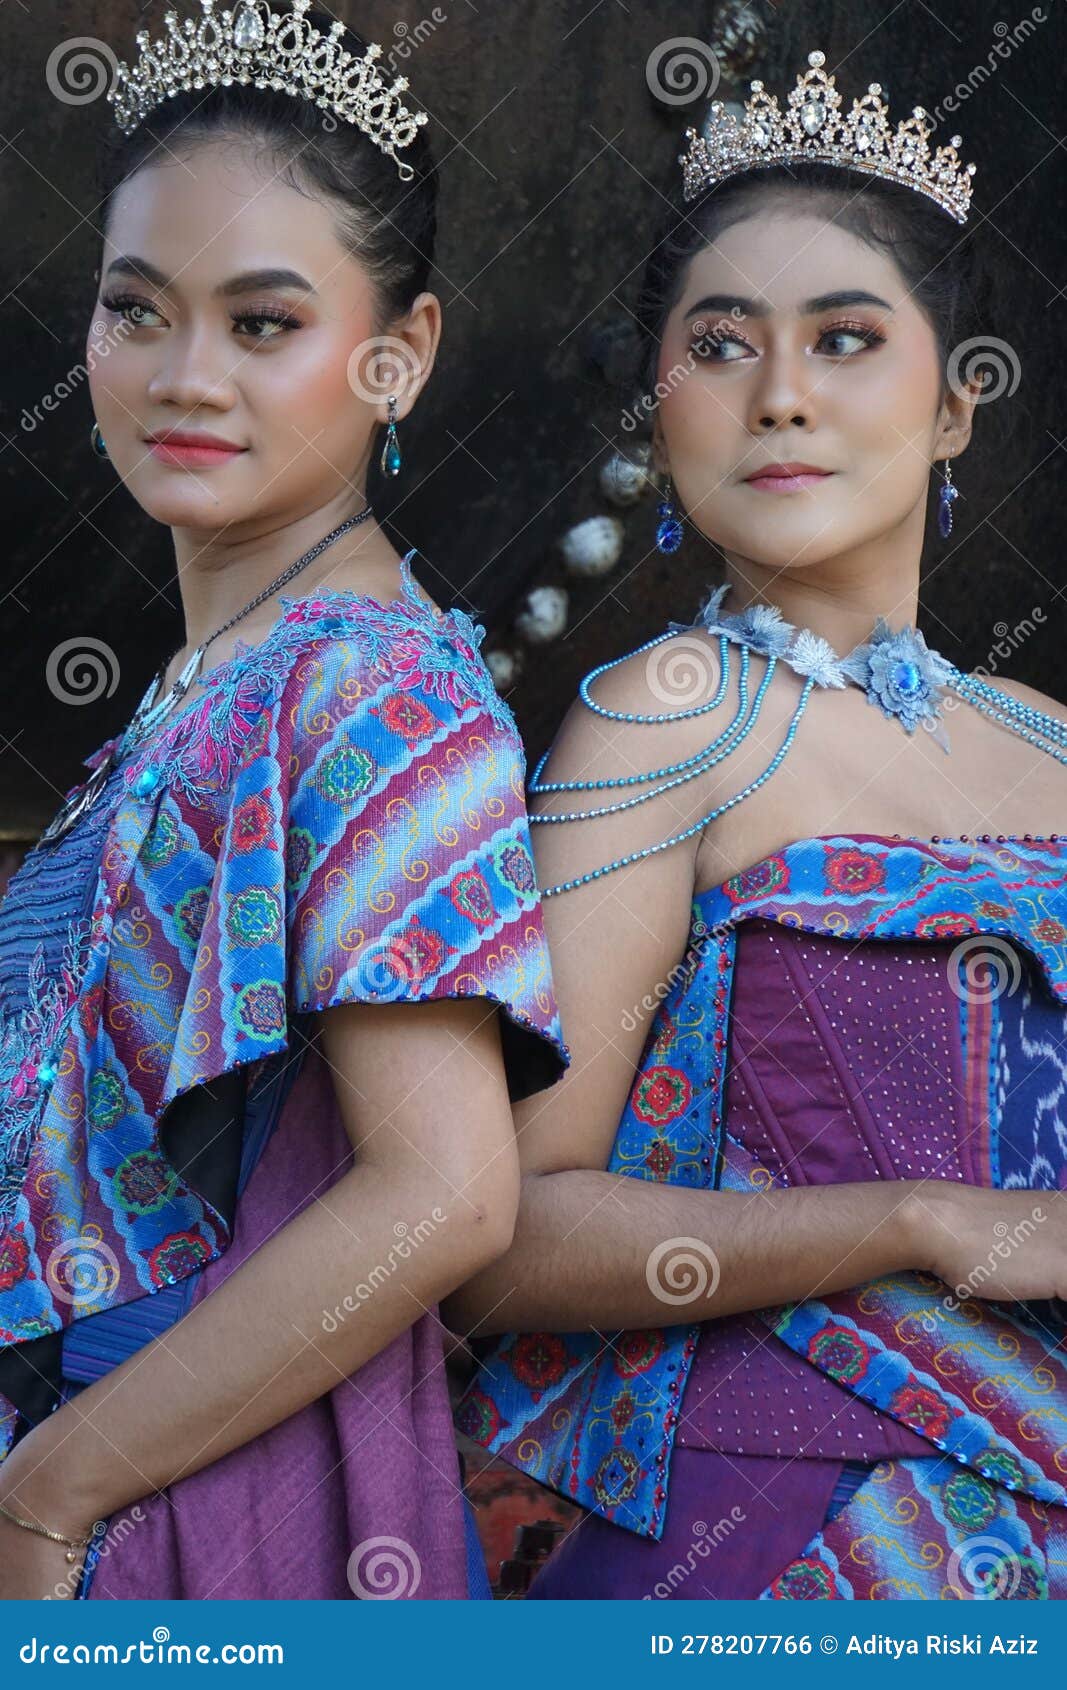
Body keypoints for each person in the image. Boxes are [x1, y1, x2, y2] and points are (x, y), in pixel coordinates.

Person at [444, 48, 1067, 1600]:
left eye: (846, 340)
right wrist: (924, 1218)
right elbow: (510, 1230)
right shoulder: (666, 715)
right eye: (720, 347)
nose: (779, 392)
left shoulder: (1053, 745)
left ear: (954, 410)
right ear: (663, 413)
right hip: (791, 1518)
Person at [0, 2, 568, 1601]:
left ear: (404, 354)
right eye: (135, 309)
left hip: (208, 1507)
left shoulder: (377, 685)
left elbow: (447, 1190)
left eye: (263, 323)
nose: (184, 376)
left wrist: (55, 1490)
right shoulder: (208, 689)